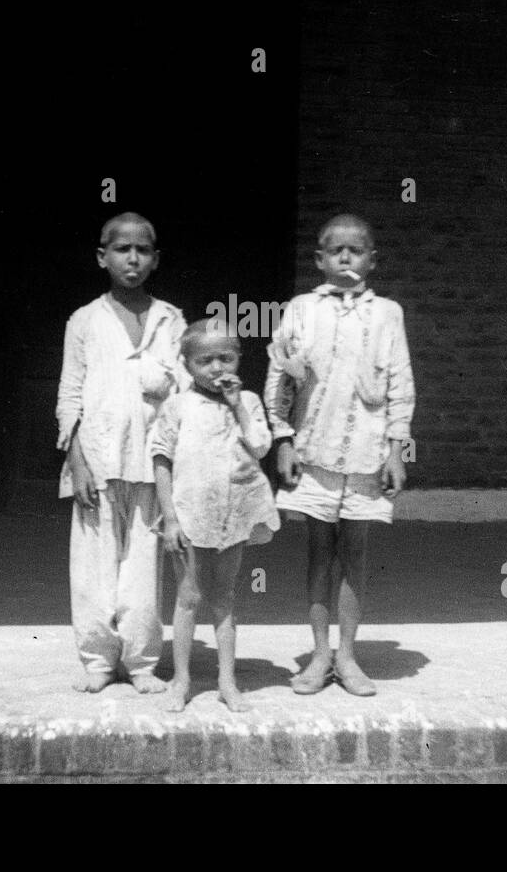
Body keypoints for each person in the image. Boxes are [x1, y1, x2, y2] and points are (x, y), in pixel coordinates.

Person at [264, 213, 415, 696]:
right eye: (336, 251)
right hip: (315, 451)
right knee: (318, 553)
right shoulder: (302, 309)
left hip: (367, 456)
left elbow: (399, 383)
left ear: (373, 259)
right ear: (320, 259)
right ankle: (319, 654)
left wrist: (396, 449)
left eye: (356, 250)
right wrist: (283, 439)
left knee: (355, 551)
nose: (346, 258)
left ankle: (348, 656)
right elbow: (279, 378)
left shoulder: (388, 313)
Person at [55, 212, 188, 694]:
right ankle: (97, 661)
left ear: (156, 259)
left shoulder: (171, 320)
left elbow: (184, 389)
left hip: (151, 462)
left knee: (142, 567)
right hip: (98, 460)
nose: (133, 258)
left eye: (143, 250)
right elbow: (70, 393)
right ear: (102, 257)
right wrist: (77, 460)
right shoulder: (85, 320)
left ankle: (142, 662)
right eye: (121, 249)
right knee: (93, 567)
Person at [152, 319, 279, 713]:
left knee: (224, 596)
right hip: (190, 514)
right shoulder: (177, 405)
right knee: (188, 596)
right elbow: (161, 459)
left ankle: (227, 680)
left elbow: (260, 446)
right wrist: (170, 517)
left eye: (226, 358)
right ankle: (182, 679)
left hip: (234, 512)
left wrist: (238, 404)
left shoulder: (251, 402)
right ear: (187, 364)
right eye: (205, 360)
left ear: (239, 358)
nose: (217, 368)